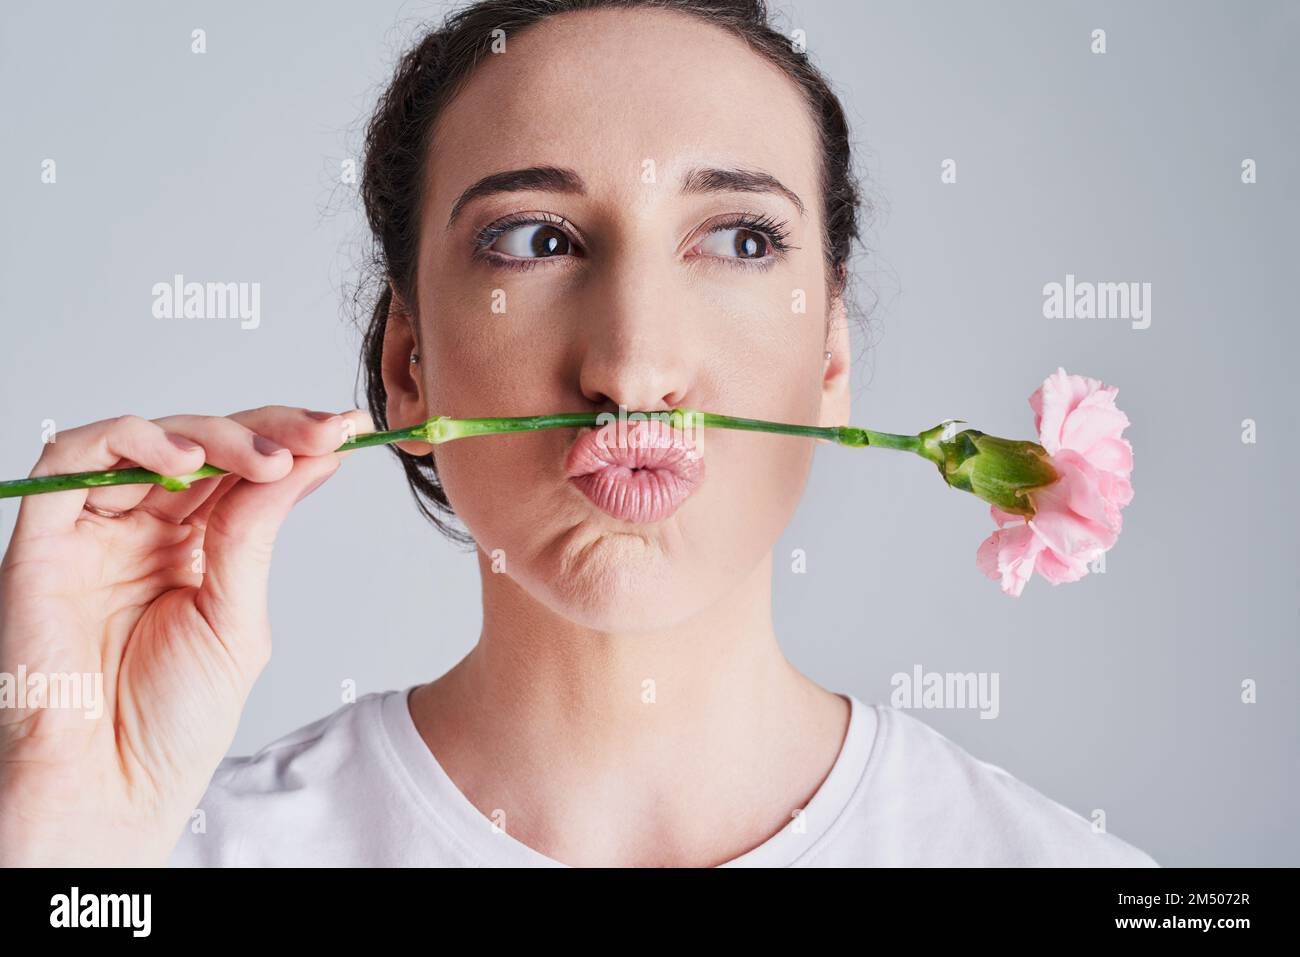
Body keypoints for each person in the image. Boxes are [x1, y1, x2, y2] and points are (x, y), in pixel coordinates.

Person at [0, 0, 1157, 867]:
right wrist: (67, 829)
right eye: (535, 241)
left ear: (831, 360)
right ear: (408, 367)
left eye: (741, 240)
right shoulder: (145, 866)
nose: (632, 364)